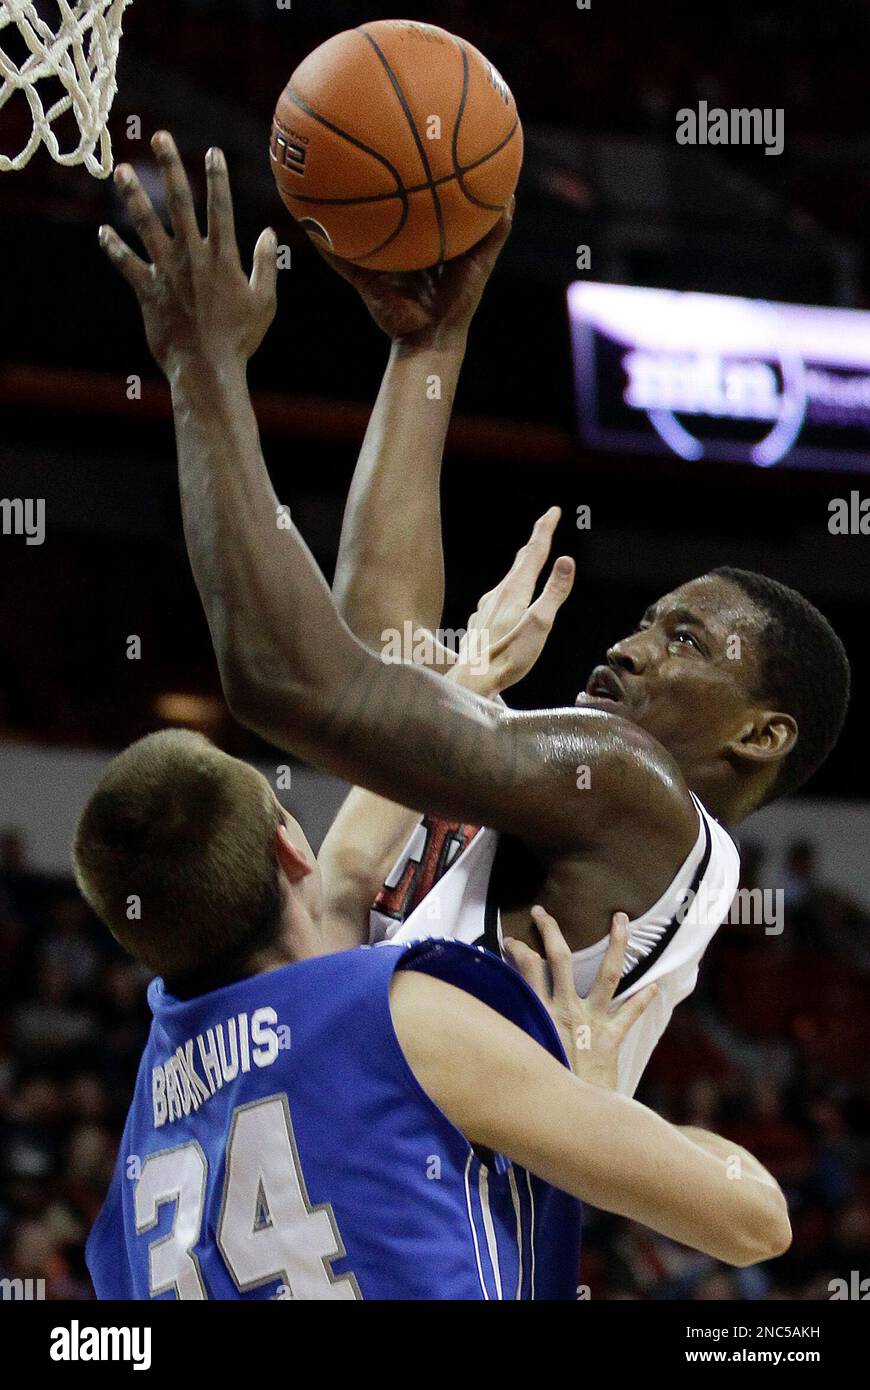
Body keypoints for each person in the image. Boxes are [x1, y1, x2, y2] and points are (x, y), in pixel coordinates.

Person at [98, 131, 851, 1099]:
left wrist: (205, 375)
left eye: (686, 640)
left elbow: (298, 682)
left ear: (762, 732)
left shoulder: (637, 791)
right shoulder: (537, 806)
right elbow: (371, 657)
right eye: (651, 621)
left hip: (437, 1242)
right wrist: (430, 340)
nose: (631, 643)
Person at [76, 729, 789, 1299]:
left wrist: (467, 674)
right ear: (292, 847)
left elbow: (346, 875)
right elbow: (756, 1222)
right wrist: (591, 1101)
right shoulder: (402, 1017)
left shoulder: (145, 1127)